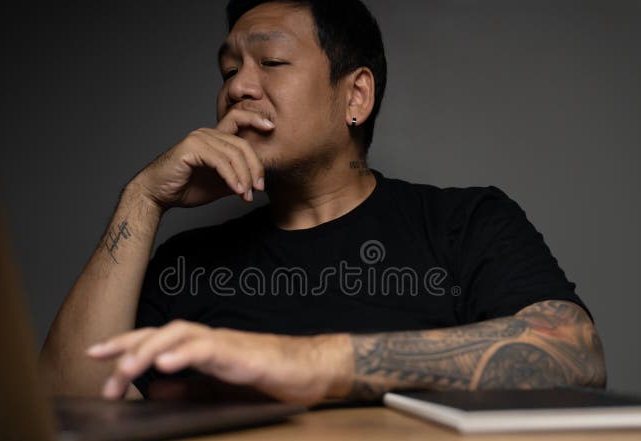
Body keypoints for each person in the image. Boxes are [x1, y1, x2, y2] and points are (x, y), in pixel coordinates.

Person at [38, 0, 606, 405]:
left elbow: (576, 356)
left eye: (272, 63)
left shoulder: (465, 222)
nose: (238, 86)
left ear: (355, 95)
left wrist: (308, 364)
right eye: (229, 69)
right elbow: (66, 399)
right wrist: (143, 199)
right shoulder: (188, 261)